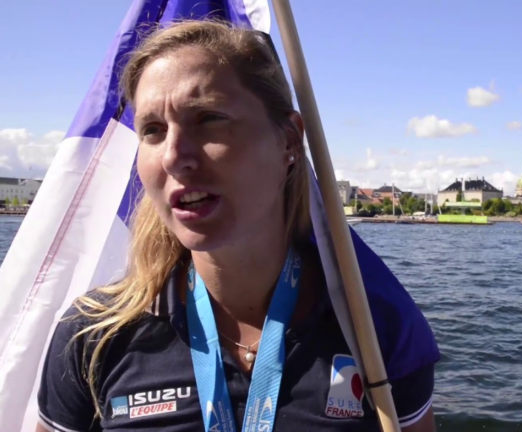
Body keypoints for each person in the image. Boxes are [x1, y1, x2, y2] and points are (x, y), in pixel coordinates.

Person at [37, 19, 439, 432]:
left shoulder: (374, 328)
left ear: (288, 140)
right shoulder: (93, 335)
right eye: (153, 130)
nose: (174, 155)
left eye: (209, 118)